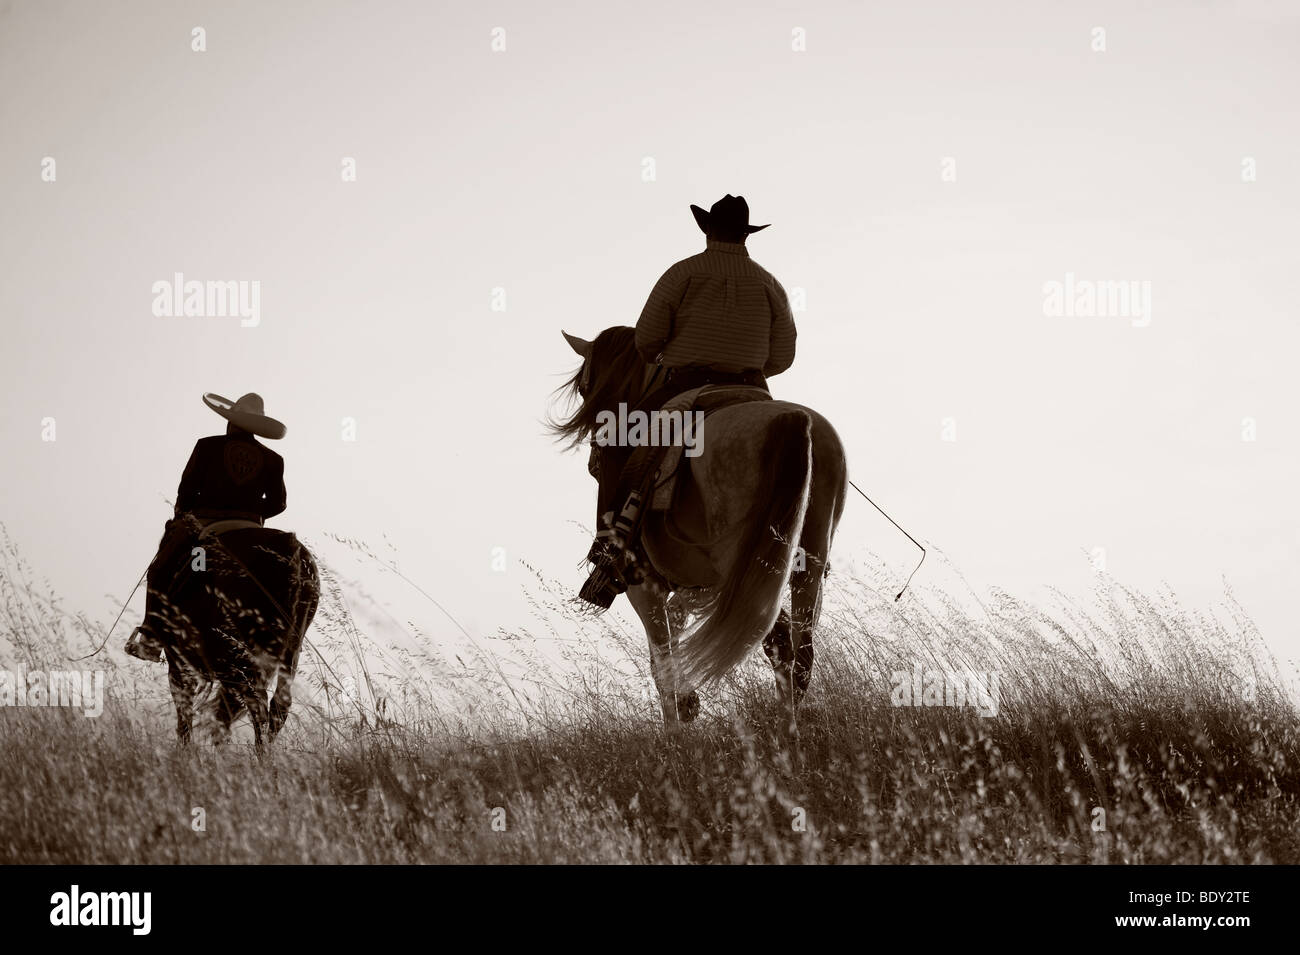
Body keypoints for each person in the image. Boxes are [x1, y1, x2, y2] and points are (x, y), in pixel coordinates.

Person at [579, 194, 797, 608]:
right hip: (754, 389)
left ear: (708, 229)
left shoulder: (683, 274)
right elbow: (783, 357)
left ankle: (612, 551)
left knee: (616, 438)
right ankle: (806, 555)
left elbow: (646, 341)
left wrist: (675, 354)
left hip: (689, 388)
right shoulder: (770, 283)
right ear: (746, 234)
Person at [124, 392, 288, 662]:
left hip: (206, 526)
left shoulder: (207, 446)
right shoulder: (273, 459)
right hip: (251, 528)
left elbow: (186, 491)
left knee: (161, 568)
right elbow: (279, 503)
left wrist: (182, 516)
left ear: (230, 421)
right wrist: (252, 516)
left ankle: (151, 638)